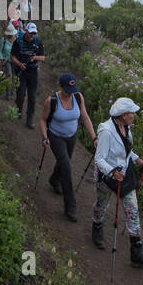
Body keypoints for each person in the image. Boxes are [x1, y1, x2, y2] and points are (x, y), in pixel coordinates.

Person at [92, 97, 143, 267]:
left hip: (126, 175)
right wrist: (112, 172)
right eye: (132, 112)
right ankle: (97, 225)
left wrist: (138, 160)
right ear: (123, 115)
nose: (135, 115)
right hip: (108, 176)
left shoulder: (126, 127)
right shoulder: (106, 131)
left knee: (133, 210)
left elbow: (126, 151)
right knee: (101, 205)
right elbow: (99, 159)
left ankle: (136, 249)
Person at [38, 73, 97, 222]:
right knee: (66, 167)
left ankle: (54, 179)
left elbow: (85, 117)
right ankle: (70, 206)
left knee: (64, 162)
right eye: (67, 91)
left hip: (72, 136)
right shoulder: (51, 101)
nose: (69, 93)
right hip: (55, 136)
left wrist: (94, 138)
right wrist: (45, 137)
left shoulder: (78, 97)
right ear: (60, 87)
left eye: (72, 90)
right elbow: (43, 120)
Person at [10, 21, 44, 127]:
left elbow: (43, 57)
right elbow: (12, 56)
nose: (32, 35)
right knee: (20, 94)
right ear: (26, 31)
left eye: (34, 33)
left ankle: (30, 119)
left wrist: (35, 58)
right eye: (30, 33)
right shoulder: (18, 41)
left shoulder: (38, 42)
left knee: (32, 97)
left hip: (33, 72)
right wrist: (19, 64)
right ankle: (18, 110)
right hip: (21, 72)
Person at [0, 24, 17, 99]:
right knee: (9, 75)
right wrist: (2, 58)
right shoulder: (4, 40)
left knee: (13, 77)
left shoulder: (16, 40)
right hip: (6, 61)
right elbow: (0, 51)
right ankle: (8, 94)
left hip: (14, 60)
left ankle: (12, 92)